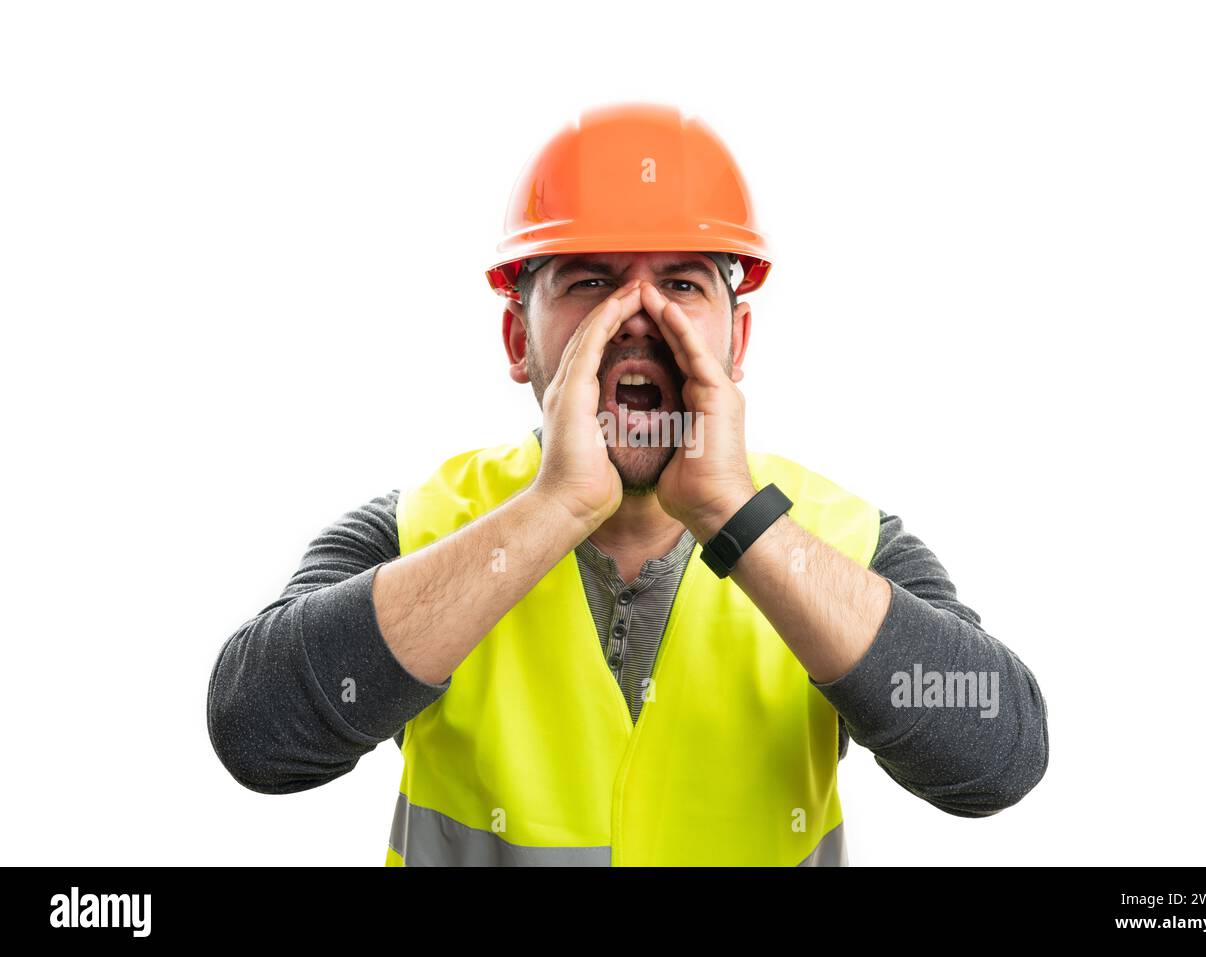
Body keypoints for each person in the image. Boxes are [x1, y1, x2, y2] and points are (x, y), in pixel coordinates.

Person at [207, 102, 1049, 866]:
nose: (641, 319)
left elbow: (997, 755)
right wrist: (554, 508)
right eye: (591, 282)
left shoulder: (845, 543)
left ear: (739, 339)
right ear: (515, 337)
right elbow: (257, 731)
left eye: (683, 284)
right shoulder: (418, 530)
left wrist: (735, 516)